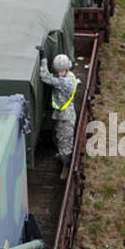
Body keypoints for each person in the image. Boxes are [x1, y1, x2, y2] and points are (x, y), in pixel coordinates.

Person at [39, 49, 78, 180]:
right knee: (58, 137)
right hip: (63, 115)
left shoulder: (64, 82)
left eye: (60, 71)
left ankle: (66, 165)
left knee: (65, 142)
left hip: (65, 118)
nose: (58, 74)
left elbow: (45, 77)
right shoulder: (69, 76)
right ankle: (62, 156)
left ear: (66, 69)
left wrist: (43, 59)